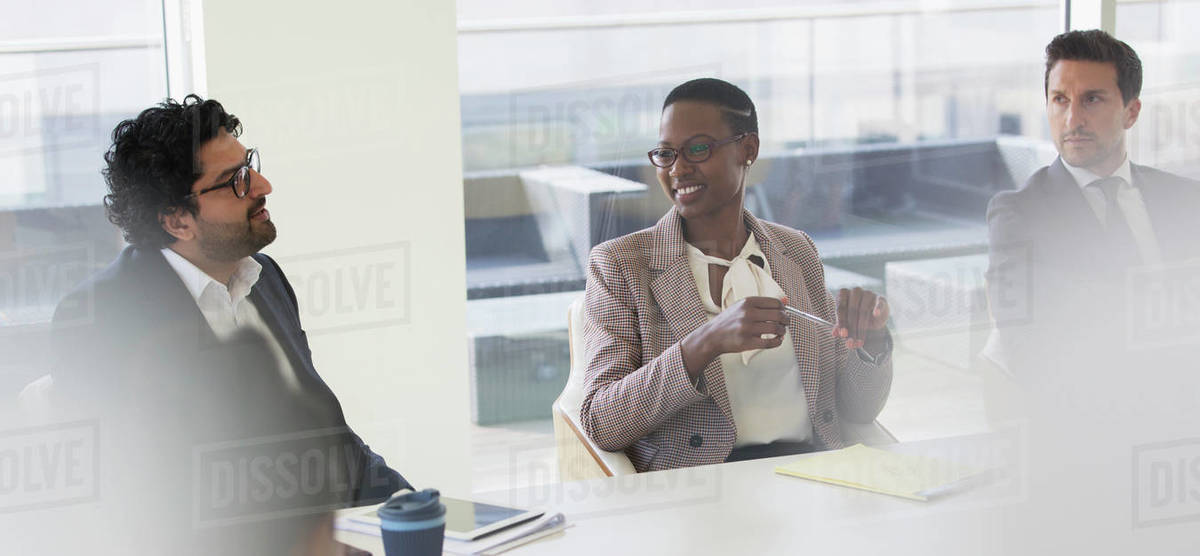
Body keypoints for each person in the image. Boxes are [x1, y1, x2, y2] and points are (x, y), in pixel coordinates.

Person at [49, 96, 408, 553]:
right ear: (178, 220)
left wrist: (419, 516)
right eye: (236, 181)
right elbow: (131, 505)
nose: (263, 185)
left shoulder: (265, 279)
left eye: (250, 165)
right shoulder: (104, 317)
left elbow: (329, 442)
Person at [579, 78, 894, 471]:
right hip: (700, 495)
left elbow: (858, 411)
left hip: (815, 479)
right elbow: (601, 422)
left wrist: (871, 341)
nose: (678, 168)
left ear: (749, 149)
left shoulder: (795, 250)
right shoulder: (621, 265)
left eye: (698, 148)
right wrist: (703, 344)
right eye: (665, 153)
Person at [984, 30, 1200, 380]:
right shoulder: (1019, 214)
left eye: (1092, 100)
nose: (1072, 120)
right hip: (1089, 410)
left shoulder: (1186, 200)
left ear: (1131, 112)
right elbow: (1026, 335)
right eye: (1060, 100)